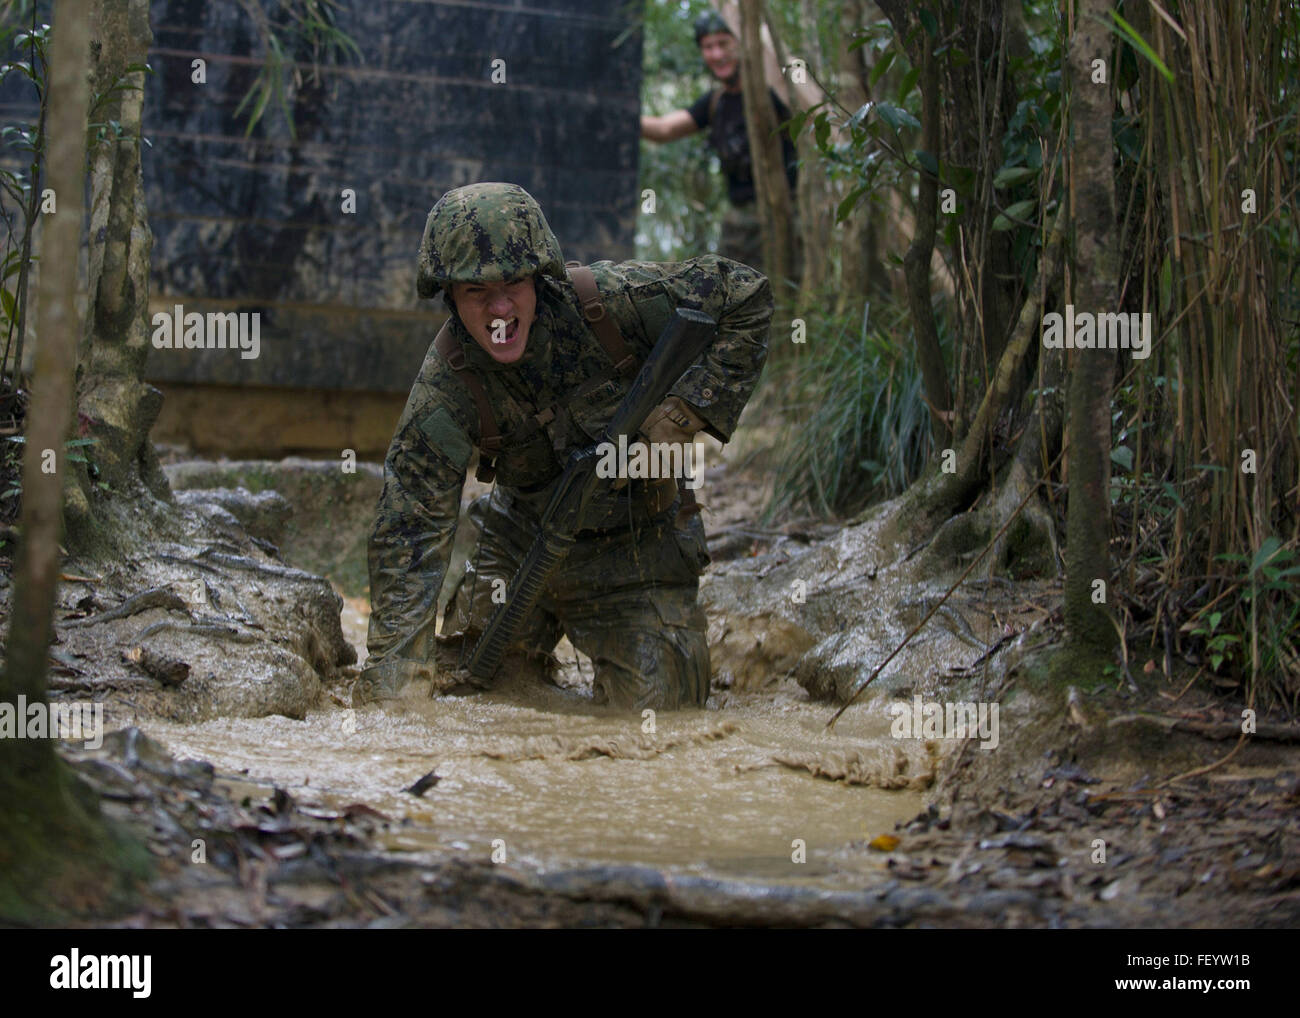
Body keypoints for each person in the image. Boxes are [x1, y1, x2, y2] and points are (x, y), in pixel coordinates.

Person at [353, 182, 772, 711]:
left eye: (513, 284)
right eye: (476, 292)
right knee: (473, 700)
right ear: (451, 298)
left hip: (637, 549)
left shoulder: (611, 303)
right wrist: (395, 690)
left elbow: (745, 293)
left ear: (538, 279)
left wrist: (685, 412)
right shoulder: (446, 388)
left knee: (656, 722)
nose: (500, 307)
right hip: (520, 544)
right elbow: (408, 531)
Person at [640, 10, 798, 272]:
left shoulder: (776, 93)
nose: (716, 54)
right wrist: (616, 114)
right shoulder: (715, 103)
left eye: (723, 43)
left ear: (741, 42)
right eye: (708, 47)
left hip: (786, 214)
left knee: (787, 293)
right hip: (739, 223)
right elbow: (664, 129)